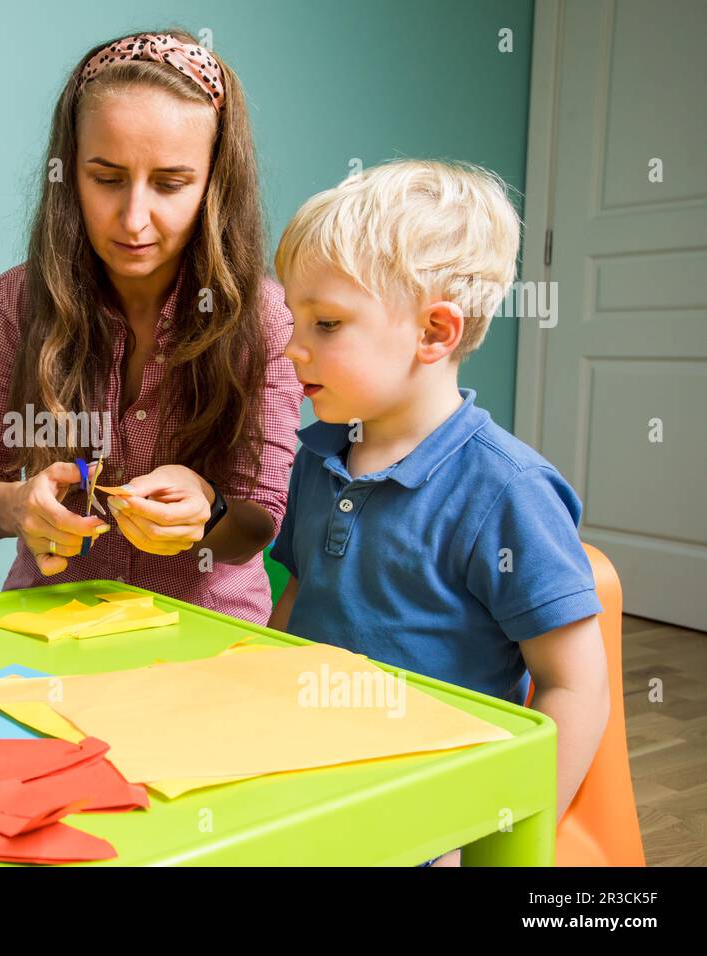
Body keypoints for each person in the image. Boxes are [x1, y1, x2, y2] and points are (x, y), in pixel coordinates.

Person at [268, 160, 610, 865]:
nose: (292, 347)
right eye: (293, 319)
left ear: (434, 333)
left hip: (429, 823)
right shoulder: (318, 456)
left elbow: (576, 685)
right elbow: (300, 600)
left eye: (325, 323)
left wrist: (497, 834)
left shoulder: (507, 492)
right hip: (304, 785)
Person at [0, 31, 301, 625]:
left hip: (207, 636)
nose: (134, 218)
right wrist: (17, 506)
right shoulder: (20, 301)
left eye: (170, 184)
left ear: (214, 183)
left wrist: (208, 511)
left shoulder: (261, 315)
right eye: (107, 178)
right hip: (44, 628)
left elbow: (257, 520)